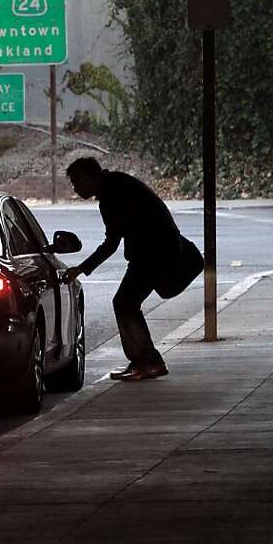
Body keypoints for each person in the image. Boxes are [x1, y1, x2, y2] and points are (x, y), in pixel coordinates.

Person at [63, 157, 186, 381]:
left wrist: (81, 268)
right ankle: (143, 360)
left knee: (125, 303)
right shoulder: (118, 183)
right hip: (155, 249)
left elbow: (111, 243)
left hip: (152, 253)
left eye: (75, 183)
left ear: (87, 178)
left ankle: (148, 362)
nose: (75, 189)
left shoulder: (112, 194)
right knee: (127, 303)